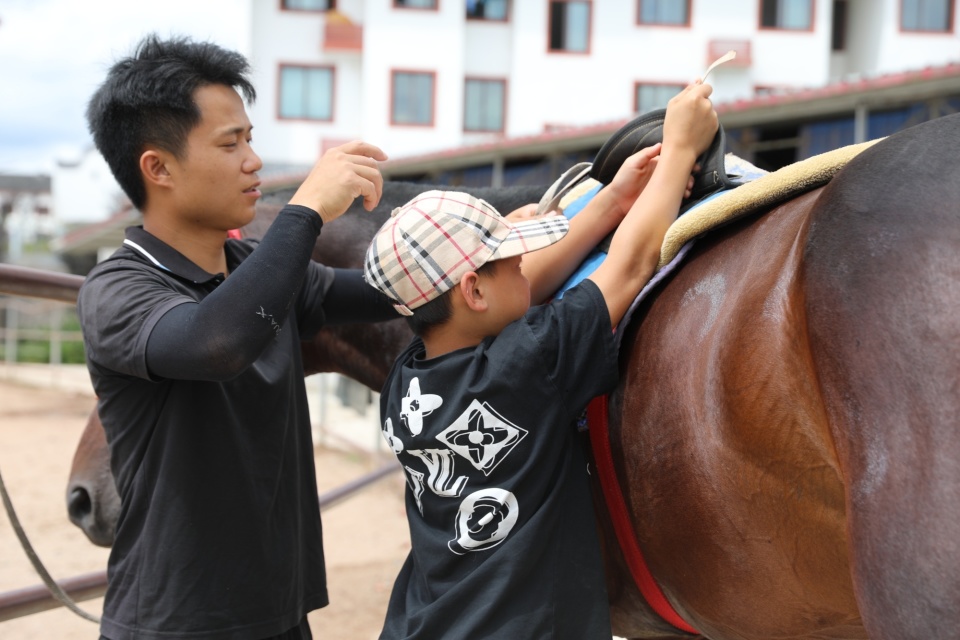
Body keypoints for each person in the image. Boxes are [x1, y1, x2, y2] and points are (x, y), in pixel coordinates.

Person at [362, 81, 718, 639]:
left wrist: (611, 201)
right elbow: (629, 267)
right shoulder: (529, 362)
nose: (529, 263)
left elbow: (513, 292)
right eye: (514, 259)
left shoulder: (408, 377)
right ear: (475, 291)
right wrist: (679, 148)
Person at [78, 34, 396, 640]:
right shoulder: (117, 288)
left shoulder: (257, 268)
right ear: (158, 167)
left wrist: (492, 237)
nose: (253, 160)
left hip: (281, 616)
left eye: (250, 138)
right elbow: (216, 343)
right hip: (174, 624)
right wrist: (306, 211)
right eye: (231, 143)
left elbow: (395, 292)